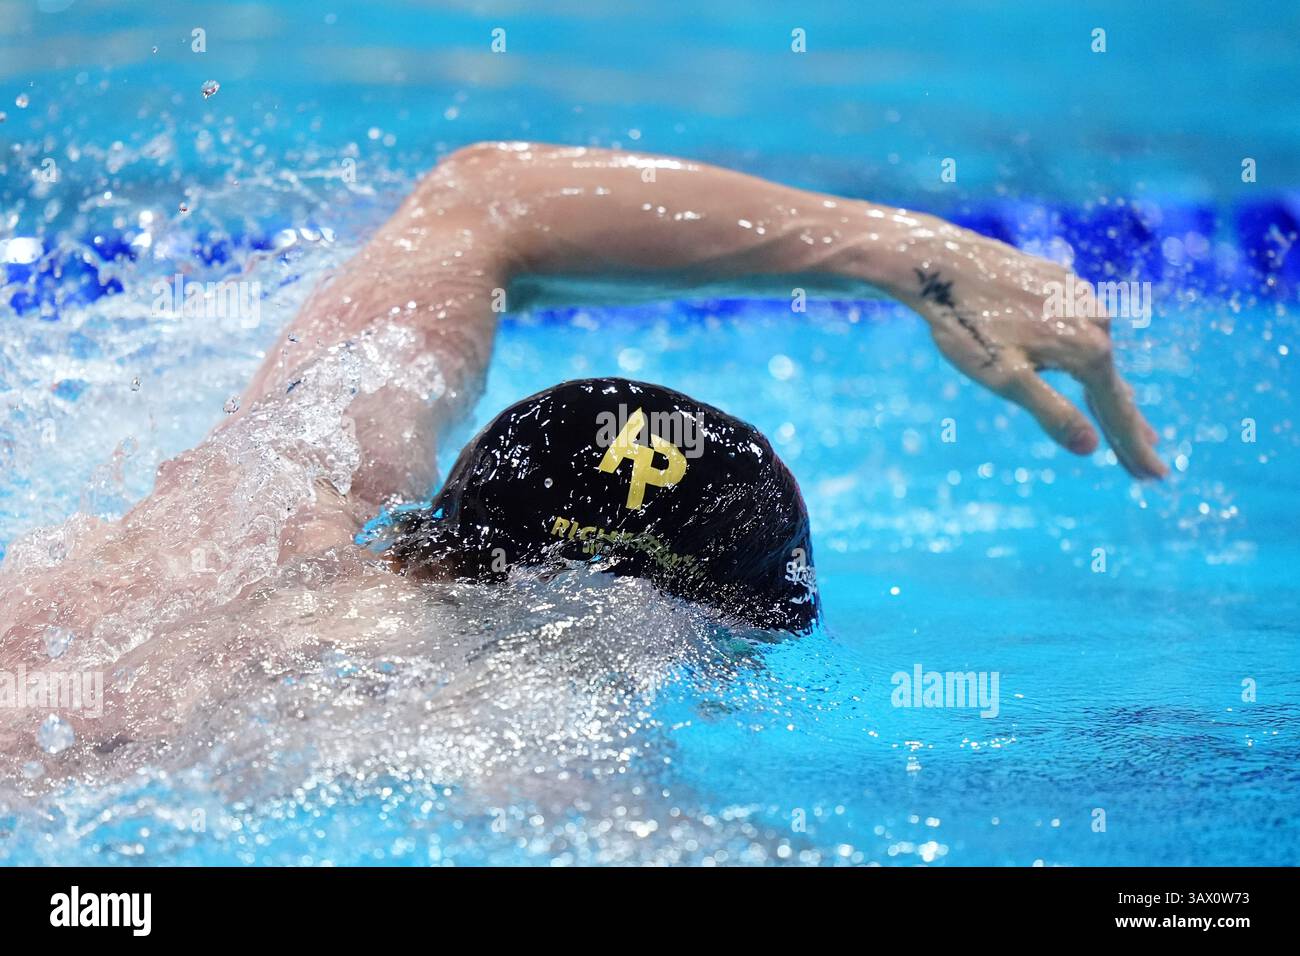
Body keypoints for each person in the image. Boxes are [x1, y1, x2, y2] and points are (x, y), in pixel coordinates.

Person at [0, 142, 1163, 753]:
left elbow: (484, 195)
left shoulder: (286, 483)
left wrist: (903, 252)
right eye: (726, 638)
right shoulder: (476, 724)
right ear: (619, 600)